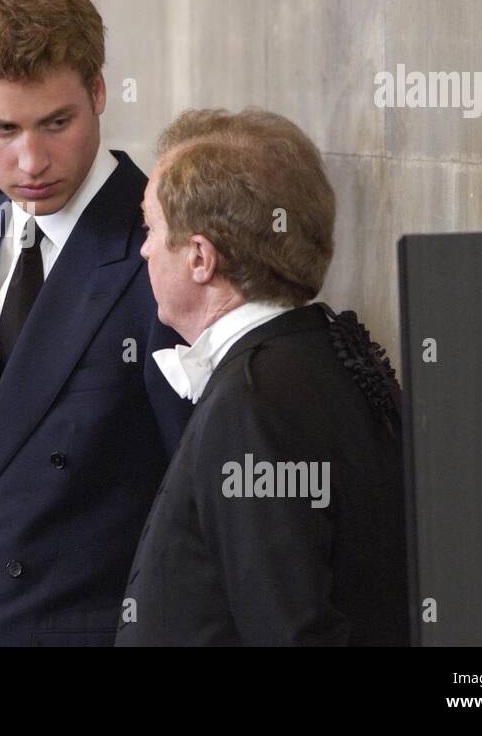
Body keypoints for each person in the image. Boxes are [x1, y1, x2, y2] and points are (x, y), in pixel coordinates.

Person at [0, 0, 192, 646]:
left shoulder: (165, 253)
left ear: (99, 92)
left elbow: (193, 504)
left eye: (57, 122)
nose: (31, 159)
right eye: (2, 128)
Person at [116, 108, 409, 646]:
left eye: (151, 228)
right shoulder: (325, 351)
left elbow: (292, 633)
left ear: (200, 257)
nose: (144, 249)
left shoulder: (250, 405)